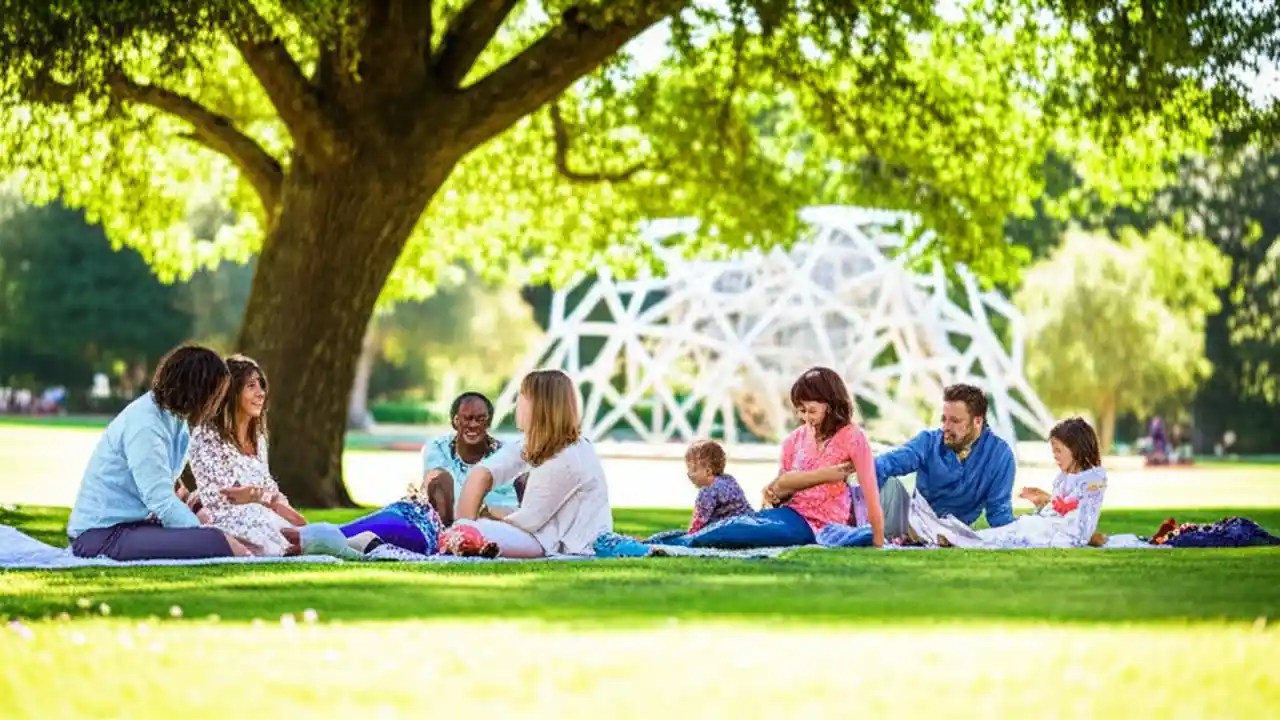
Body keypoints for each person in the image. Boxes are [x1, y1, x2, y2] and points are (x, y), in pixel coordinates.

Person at [599, 367, 883, 554]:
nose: (805, 418)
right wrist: (781, 488)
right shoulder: (794, 440)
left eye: (811, 410)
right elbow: (779, 492)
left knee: (734, 531)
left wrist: (879, 543)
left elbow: (870, 493)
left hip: (817, 526)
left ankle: (651, 546)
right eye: (801, 411)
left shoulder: (852, 437)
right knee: (728, 528)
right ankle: (648, 544)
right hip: (788, 515)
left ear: (831, 404)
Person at [67, 345, 251, 560]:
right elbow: (160, 499)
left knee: (219, 525)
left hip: (133, 525)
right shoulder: (146, 424)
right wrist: (202, 532)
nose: (216, 406)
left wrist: (197, 505)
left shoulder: (174, 419)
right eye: (215, 396)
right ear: (197, 391)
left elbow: (166, 481)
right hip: (101, 536)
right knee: (216, 542)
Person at [452, 369, 612, 558]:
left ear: (540, 405)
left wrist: (483, 520)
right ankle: (462, 538)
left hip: (560, 544)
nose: (517, 405)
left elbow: (528, 521)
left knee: (474, 530)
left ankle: (462, 539)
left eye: (523, 398)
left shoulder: (567, 456)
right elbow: (483, 472)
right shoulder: (537, 442)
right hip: (543, 536)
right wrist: (469, 520)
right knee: (468, 529)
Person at [924, 417, 1108, 549]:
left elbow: (1077, 508)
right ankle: (953, 535)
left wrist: (1050, 501)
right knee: (1012, 529)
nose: (1055, 456)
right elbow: (1060, 507)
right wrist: (1043, 500)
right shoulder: (1063, 477)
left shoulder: (1094, 478)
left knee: (1015, 533)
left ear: (1076, 449)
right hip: (1051, 525)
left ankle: (956, 538)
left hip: (1065, 533)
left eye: (1059, 451)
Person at [187, 356, 306, 557]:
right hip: (234, 526)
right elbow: (225, 498)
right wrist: (262, 498)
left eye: (261, 385)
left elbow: (271, 493)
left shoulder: (258, 439)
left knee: (323, 535)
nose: (261, 393)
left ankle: (367, 536)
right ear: (230, 392)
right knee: (321, 539)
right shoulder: (206, 436)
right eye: (251, 386)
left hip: (266, 519)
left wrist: (300, 522)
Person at [874, 383, 1016, 541]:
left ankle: (917, 537)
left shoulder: (1000, 455)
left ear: (977, 422)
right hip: (915, 519)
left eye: (955, 421)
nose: (946, 427)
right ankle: (860, 526)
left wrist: (1017, 533)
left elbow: (999, 514)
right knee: (886, 481)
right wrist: (859, 466)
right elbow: (890, 463)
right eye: (944, 419)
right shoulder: (929, 441)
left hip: (954, 531)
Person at [420, 392, 513, 526]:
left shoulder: (505, 455)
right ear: (455, 421)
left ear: (489, 422)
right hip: (445, 526)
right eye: (467, 418)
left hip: (491, 528)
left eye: (480, 419)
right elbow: (438, 494)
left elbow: (511, 507)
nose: (473, 425)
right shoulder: (438, 447)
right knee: (438, 478)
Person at [644, 439, 752, 543]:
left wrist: (689, 537)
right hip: (747, 523)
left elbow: (699, 521)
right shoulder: (729, 480)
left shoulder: (707, 491)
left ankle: (650, 541)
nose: (689, 474)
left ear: (708, 471)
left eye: (693, 469)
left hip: (726, 531)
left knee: (672, 535)